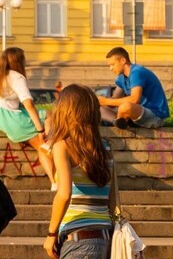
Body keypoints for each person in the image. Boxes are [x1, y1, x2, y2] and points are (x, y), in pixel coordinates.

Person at [43, 85, 120, 259]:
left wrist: (51, 234)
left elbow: (64, 194)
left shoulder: (63, 146)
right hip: (105, 237)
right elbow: (113, 197)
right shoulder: (106, 147)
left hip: (78, 239)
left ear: (66, 112)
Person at [0, 47, 52, 184]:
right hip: (10, 118)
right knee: (45, 141)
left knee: (44, 120)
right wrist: (40, 130)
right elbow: (29, 105)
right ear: (19, 61)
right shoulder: (17, 76)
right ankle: (54, 178)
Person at [73, 47, 169, 129]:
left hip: (155, 116)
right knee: (98, 109)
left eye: (112, 64)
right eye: (109, 65)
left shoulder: (137, 72)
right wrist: (96, 101)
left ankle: (119, 122)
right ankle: (118, 122)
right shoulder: (121, 77)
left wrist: (106, 101)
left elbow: (134, 99)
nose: (111, 68)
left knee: (125, 107)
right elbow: (115, 99)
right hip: (134, 116)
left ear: (123, 60)